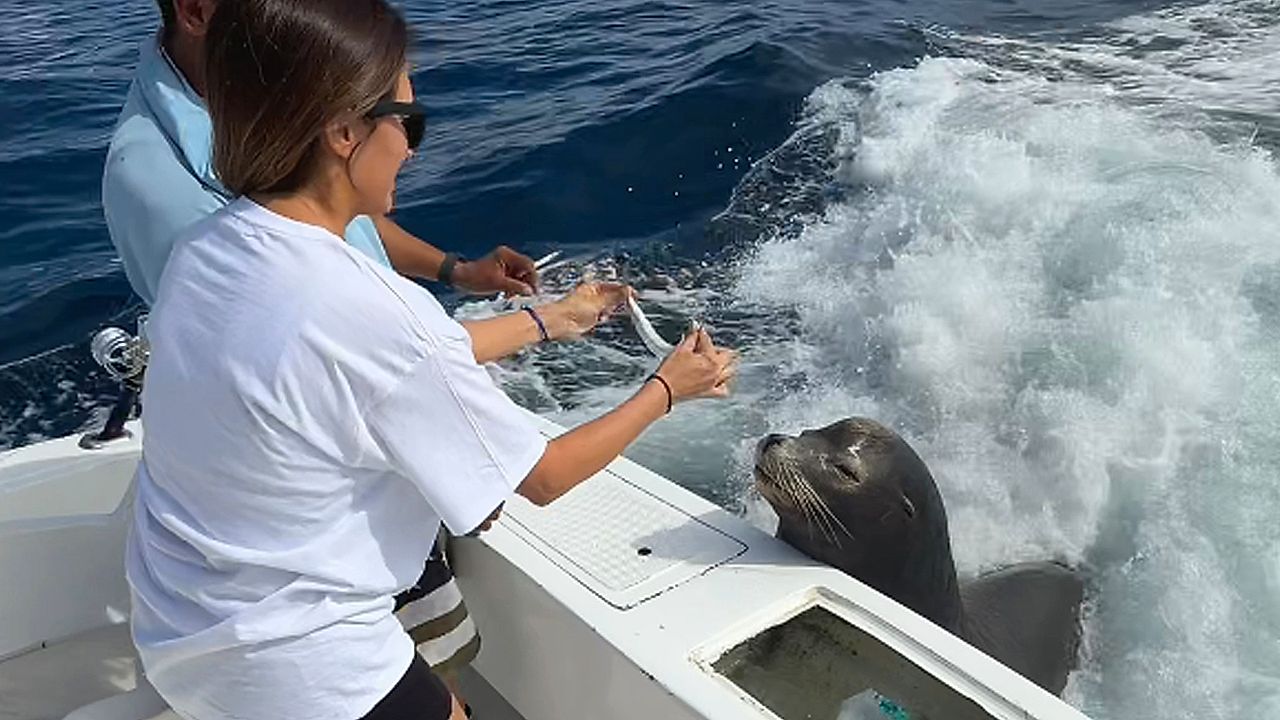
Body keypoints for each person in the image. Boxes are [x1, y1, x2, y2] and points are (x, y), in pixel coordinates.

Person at [124, 1, 737, 719]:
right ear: (344, 131)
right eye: (408, 123)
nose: (414, 148)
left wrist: (550, 319)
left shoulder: (210, 250)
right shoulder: (367, 306)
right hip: (300, 669)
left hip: (178, 629)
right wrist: (667, 388)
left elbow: (375, 360)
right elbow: (538, 479)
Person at [101, 0, 540, 701]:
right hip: (316, 539)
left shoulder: (269, 109)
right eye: (407, 126)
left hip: (337, 499)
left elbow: (332, 215)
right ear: (194, 9)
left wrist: (457, 271)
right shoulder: (155, 177)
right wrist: (552, 332)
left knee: (435, 676)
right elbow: (280, 356)